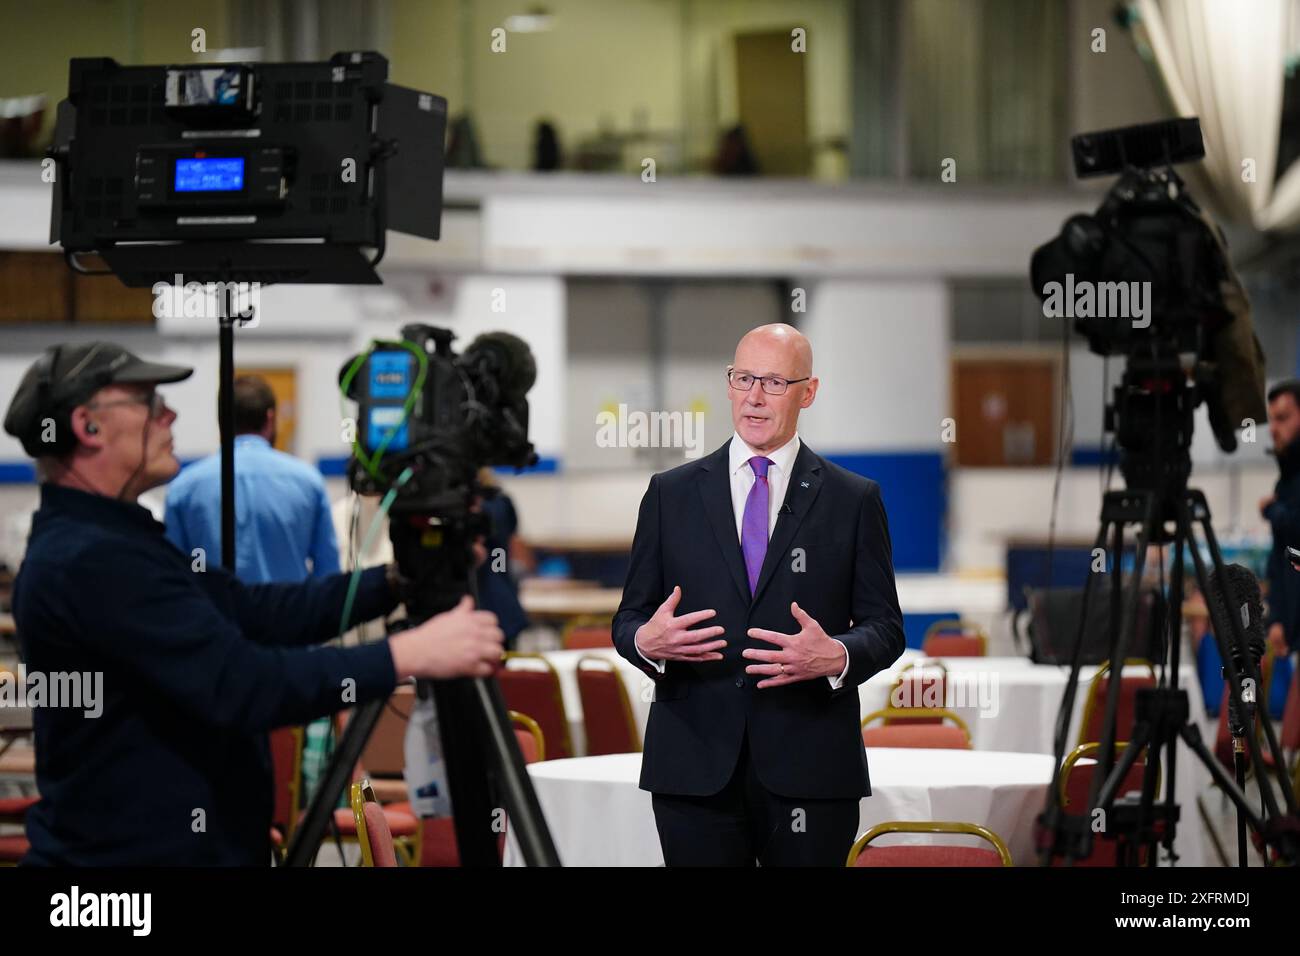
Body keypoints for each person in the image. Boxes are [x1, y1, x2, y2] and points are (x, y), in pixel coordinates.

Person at [2, 342, 503, 865]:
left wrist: (396, 582)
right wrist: (408, 655)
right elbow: (242, 684)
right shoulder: (91, 560)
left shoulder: (115, 538)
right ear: (89, 426)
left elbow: (254, 611)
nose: (169, 414)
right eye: (149, 402)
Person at [612, 323, 905, 866]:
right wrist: (646, 641)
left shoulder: (854, 499)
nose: (753, 396)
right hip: (694, 769)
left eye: (773, 382)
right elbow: (628, 619)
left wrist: (837, 655)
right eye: (743, 378)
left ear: (808, 392)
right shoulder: (669, 494)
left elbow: (886, 628)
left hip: (812, 768)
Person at [165, 374, 339, 583]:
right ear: (270, 418)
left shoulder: (184, 488)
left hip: (215, 612)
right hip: (289, 612)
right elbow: (328, 575)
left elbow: (176, 573)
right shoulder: (309, 482)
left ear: (221, 420)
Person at [1262, 379, 1300, 657]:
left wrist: (1272, 511)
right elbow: (1281, 558)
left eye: (1283, 418)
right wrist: (1276, 618)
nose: (1273, 429)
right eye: (1272, 420)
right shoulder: (1284, 483)